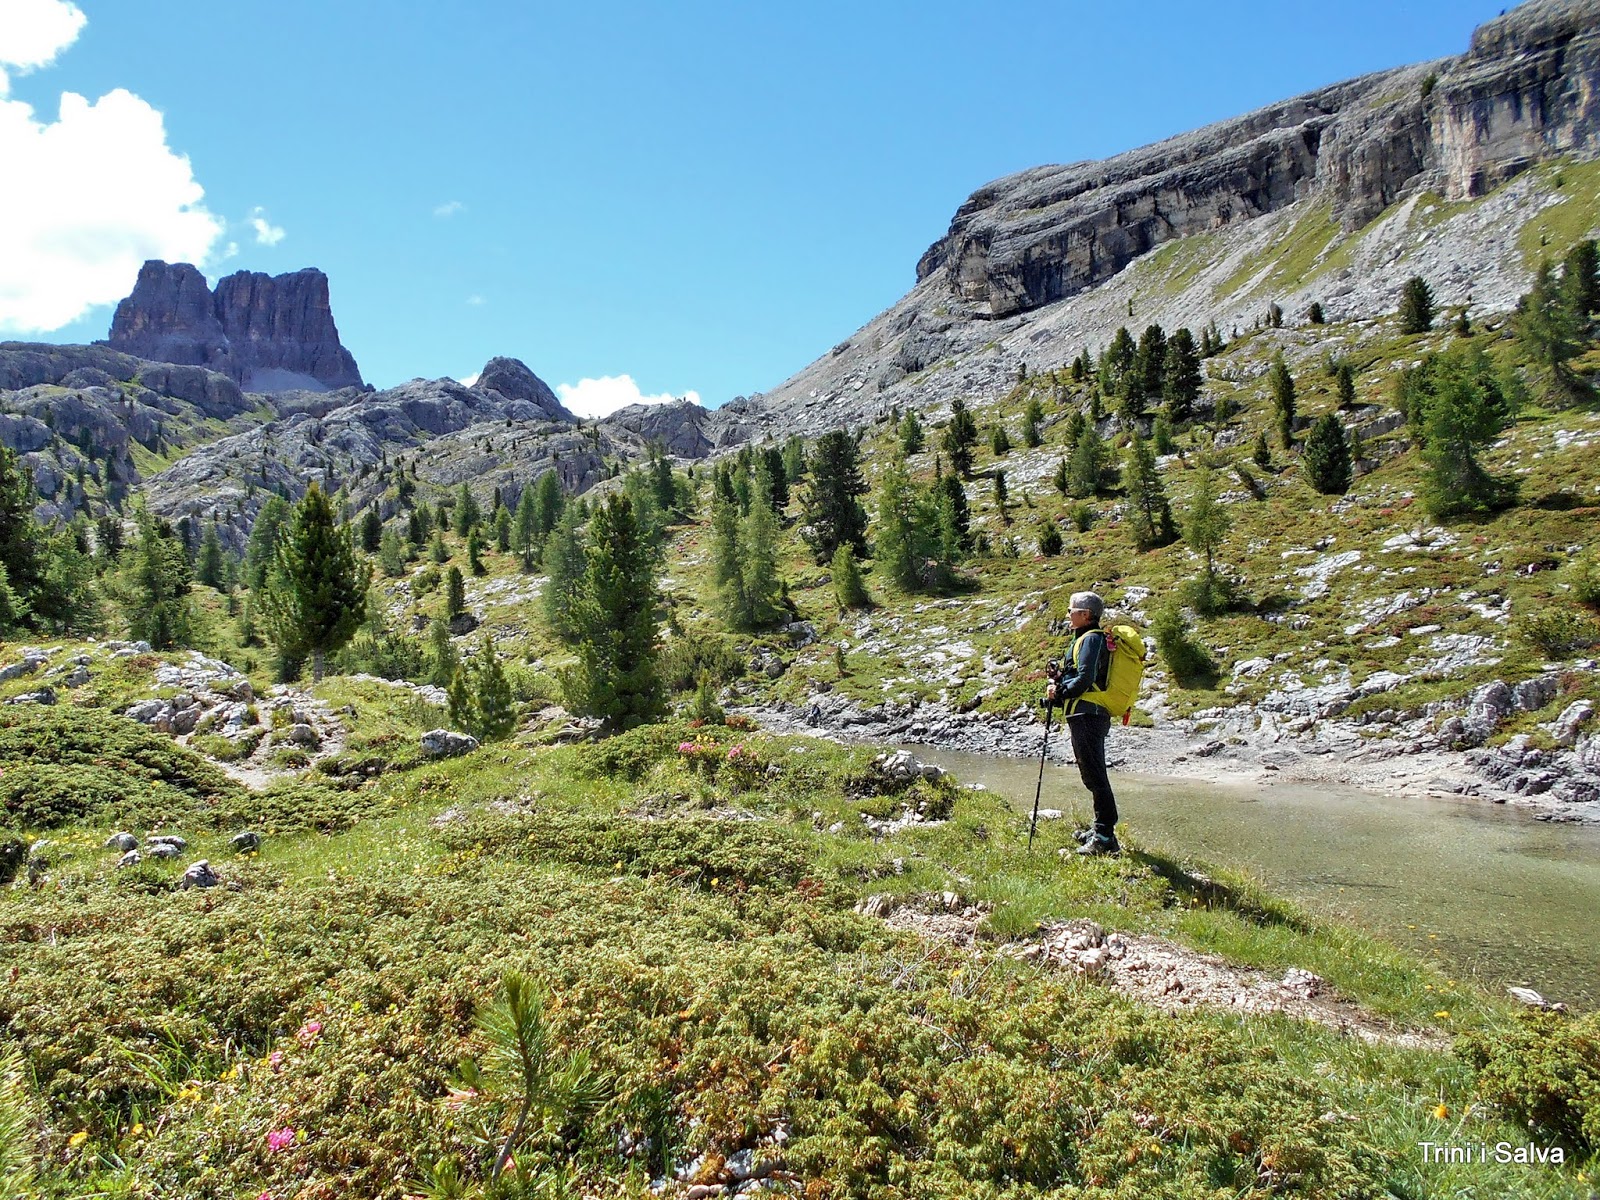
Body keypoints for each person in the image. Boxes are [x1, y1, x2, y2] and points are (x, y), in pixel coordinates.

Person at [1044, 590, 1119, 856]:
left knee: (1095, 775)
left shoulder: (1090, 639)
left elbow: (1086, 678)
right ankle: (1100, 831)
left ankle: (1105, 837)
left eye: (1070, 611)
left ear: (1085, 615)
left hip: (1088, 715)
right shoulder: (1086, 639)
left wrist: (1060, 693)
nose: (1068, 615)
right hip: (1084, 713)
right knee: (1091, 773)